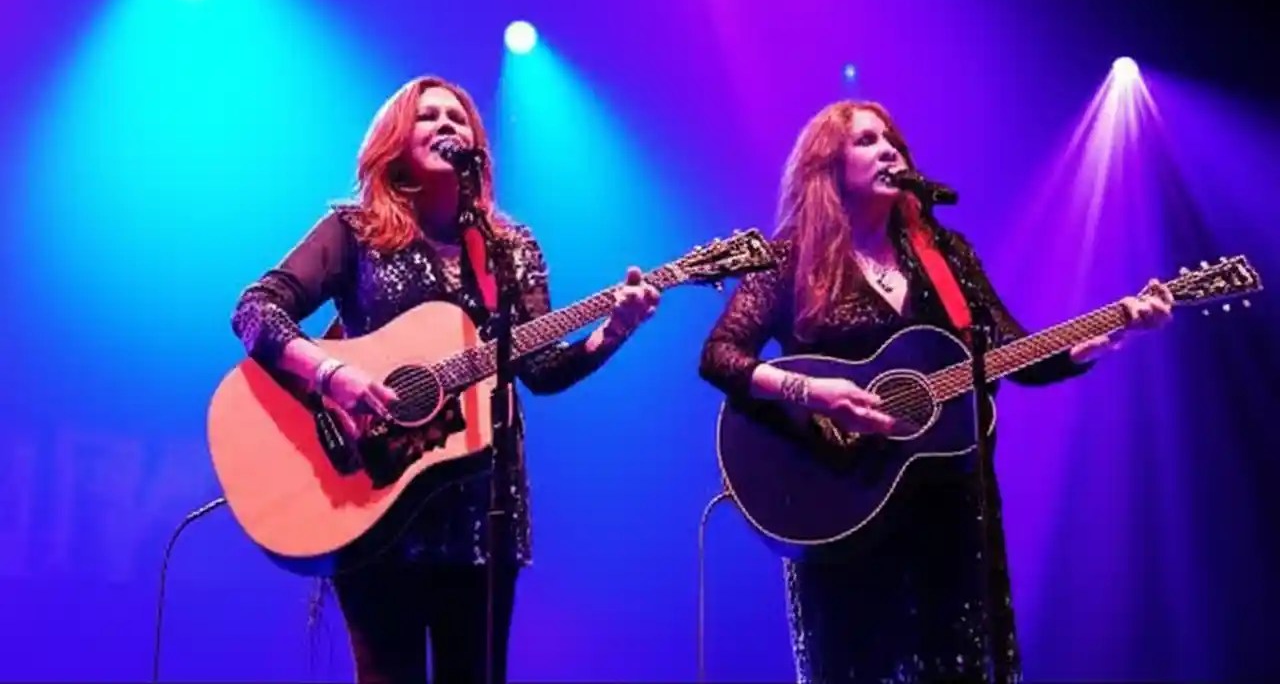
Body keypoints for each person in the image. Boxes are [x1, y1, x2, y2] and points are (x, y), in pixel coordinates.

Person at [697, 100, 1173, 683]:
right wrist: (816, 392)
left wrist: (1111, 328)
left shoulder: (945, 256)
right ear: (828, 166)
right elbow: (721, 356)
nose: (888, 149)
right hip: (839, 505)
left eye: (892, 139)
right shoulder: (789, 257)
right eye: (867, 141)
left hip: (946, 512)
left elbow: (1011, 355)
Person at [230, 75, 660, 683]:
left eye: (458, 118)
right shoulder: (354, 234)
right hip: (373, 501)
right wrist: (331, 375)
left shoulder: (509, 248)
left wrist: (612, 331)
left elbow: (539, 368)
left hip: (485, 511)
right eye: (427, 116)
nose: (447, 126)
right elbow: (255, 310)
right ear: (395, 141)